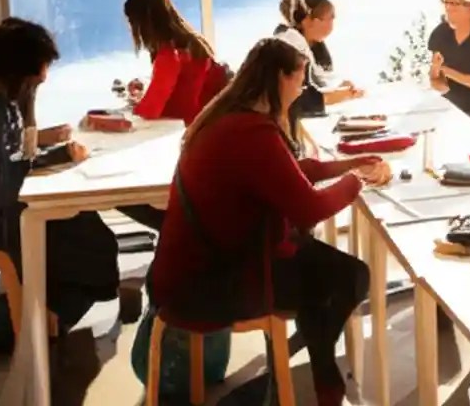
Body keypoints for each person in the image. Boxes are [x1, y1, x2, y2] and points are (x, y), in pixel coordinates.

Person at [148, 38, 388, 406]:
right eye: (300, 81)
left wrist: (346, 165)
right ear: (280, 78)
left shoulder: (229, 118)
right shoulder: (252, 133)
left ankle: (319, 375)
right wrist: (358, 180)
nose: (301, 90)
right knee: (348, 277)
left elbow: (287, 173)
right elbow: (308, 209)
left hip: (190, 270)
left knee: (330, 276)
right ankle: (316, 378)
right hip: (212, 284)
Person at [0, 18, 119, 350]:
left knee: (87, 232)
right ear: (16, 72)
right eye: (35, 79)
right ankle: (25, 319)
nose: (38, 84)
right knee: (86, 239)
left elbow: (0, 152)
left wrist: (40, 141)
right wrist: (52, 159)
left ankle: (45, 311)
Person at [123, 0, 226, 124]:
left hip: (199, 128)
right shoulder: (192, 43)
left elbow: (150, 110)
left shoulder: (170, 55)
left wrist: (128, 112)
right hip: (214, 120)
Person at [275, 0, 363, 117]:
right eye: (331, 17)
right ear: (312, 21)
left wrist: (337, 90)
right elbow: (296, 99)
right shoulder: (289, 46)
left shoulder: (309, 46)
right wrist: (340, 95)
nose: (333, 23)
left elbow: (313, 87)